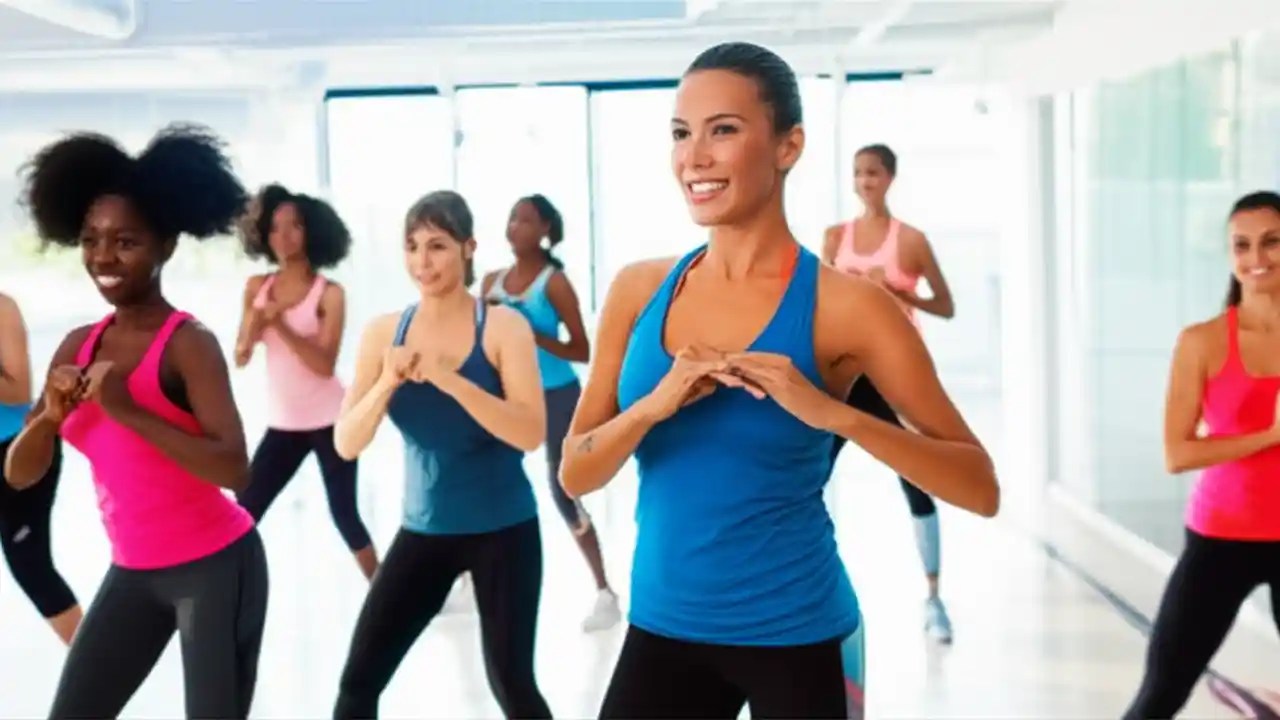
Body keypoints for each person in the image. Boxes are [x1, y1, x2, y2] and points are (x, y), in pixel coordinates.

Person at [559, 42, 999, 720]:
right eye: (681, 134)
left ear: (788, 145)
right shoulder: (638, 291)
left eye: (723, 130)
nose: (694, 157)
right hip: (661, 630)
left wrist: (835, 415)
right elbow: (577, 473)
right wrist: (653, 406)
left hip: (797, 639)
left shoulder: (850, 308)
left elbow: (980, 486)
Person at [3, 123, 268, 719]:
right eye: (92, 239)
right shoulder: (78, 345)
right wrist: (47, 417)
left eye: (126, 241)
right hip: (133, 572)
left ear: (166, 245)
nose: (104, 256)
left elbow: (236, 468)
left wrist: (126, 409)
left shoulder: (187, 344)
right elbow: (20, 475)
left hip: (215, 566)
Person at [331, 190, 552, 719]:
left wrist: (452, 381)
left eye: (437, 246)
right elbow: (347, 441)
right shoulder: (386, 333)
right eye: (412, 247)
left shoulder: (502, 327)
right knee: (358, 683)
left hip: (504, 530)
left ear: (468, 248)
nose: (422, 262)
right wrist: (386, 379)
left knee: (513, 685)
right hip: (425, 531)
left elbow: (530, 432)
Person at [1123, 190, 1280, 720]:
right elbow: (1177, 452)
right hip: (1221, 540)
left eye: (1272, 242)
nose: (1256, 257)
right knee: (1161, 692)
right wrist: (1271, 435)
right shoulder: (1203, 342)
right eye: (1242, 244)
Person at [821, 143, 957, 643]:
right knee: (808, 472)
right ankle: (803, 588)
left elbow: (945, 306)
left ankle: (934, 598)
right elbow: (820, 300)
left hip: (897, 377)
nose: (864, 182)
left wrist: (893, 292)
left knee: (916, 480)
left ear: (891, 178)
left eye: (873, 173)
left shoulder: (911, 241)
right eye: (857, 173)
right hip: (848, 376)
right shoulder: (836, 237)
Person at [481, 193, 620, 632]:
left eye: (524, 220)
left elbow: (582, 349)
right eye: (511, 218)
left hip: (557, 395)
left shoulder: (553, 283)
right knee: (485, 477)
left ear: (545, 229)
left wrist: (530, 334)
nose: (514, 226)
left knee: (563, 490)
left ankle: (604, 592)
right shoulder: (490, 282)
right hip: (509, 395)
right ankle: (469, 571)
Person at [234, 183, 377, 580]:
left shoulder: (329, 293)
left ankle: (385, 592)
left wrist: (279, 322)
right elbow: (241, 356)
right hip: (285, 424)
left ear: (311, 232)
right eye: (276, 227)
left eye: (294, 226)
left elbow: (325, 366)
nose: (284, 236)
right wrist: (254, 324)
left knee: (345, 515)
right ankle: (223, 592)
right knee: (243, 511)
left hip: (332, 419)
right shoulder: (255, 288)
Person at [0, 292, 82, 644]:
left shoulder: (2, 307)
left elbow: (18, 390)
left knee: (31, 567)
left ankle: (102, 672)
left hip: (16, 447)